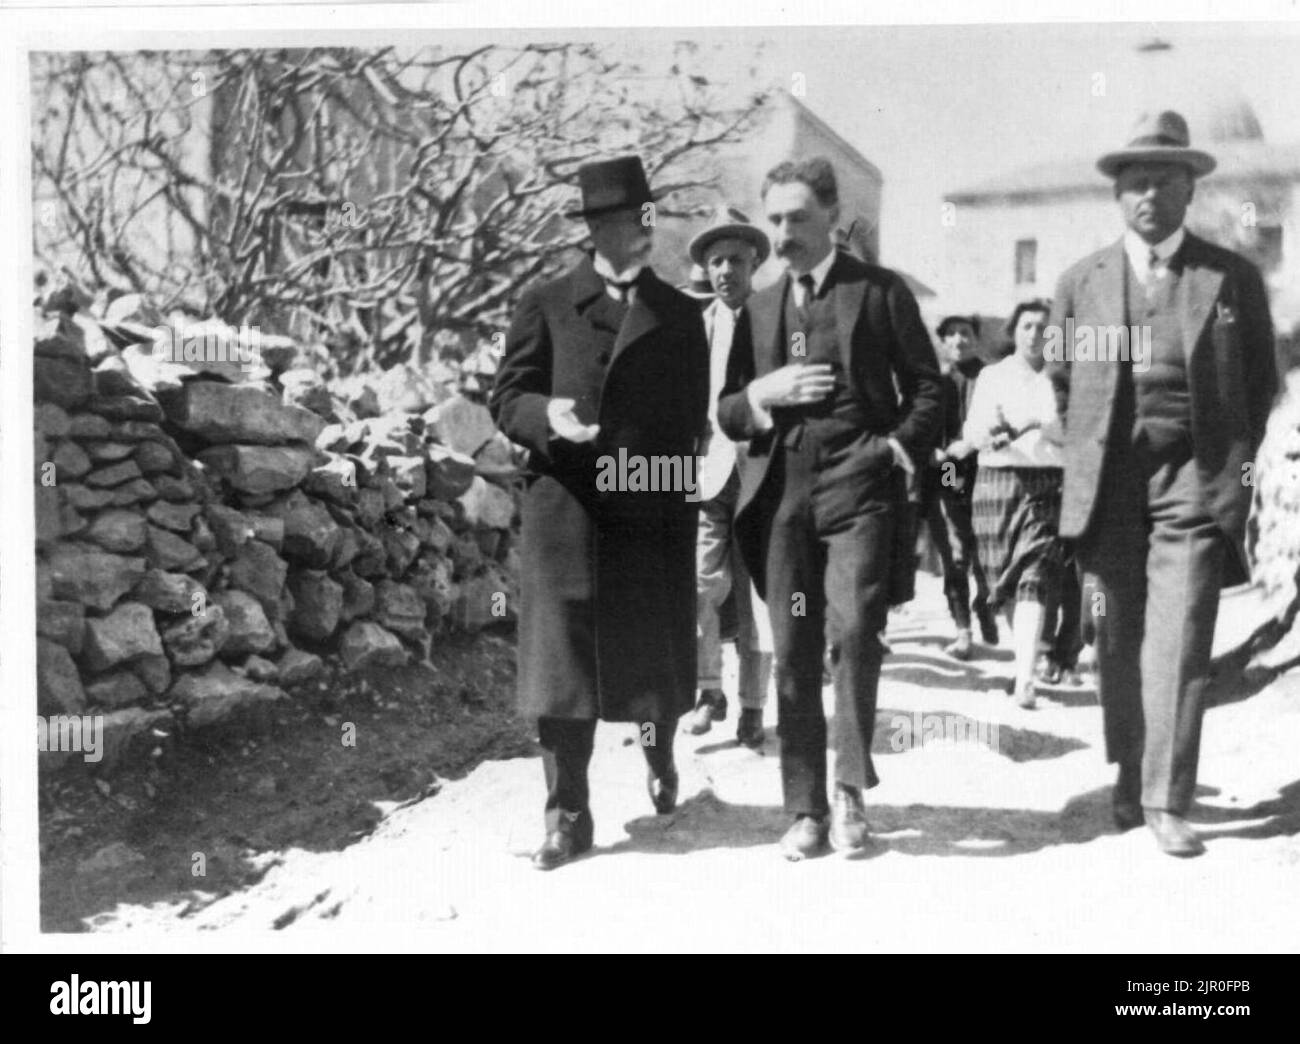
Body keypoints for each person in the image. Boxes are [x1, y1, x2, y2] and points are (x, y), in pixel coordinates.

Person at [1047, 111, 1278, 857]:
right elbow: (1061, 378)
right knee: (1118, 634)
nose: (1148, 195)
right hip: (1110, 483)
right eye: (1135, 183)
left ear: (1190, 189)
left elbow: (1259, 383)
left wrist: (1234, 476)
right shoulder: (1080, 283)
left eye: (1164, 181)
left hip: (1194, 480)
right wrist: (1087, 447)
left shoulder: (1230, 277)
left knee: (1179, 637)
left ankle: (1166, 798)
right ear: (1117, 196)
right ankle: (1128, 772)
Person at [717, 156, 942, 860]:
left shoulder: (879, 292)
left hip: (860, 492)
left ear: (831, 219)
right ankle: (805, 808)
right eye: (774, 219)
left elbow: (933, 390)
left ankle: (849, 791)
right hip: (781, 499)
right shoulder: (754, 306)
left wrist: (894, 450)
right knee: (791, 653)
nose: (782, 233)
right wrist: (766, 393)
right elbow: (727, 412)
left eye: (797, 219)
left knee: (854, 633)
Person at [489, 156, 710, 871]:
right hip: (567, 509)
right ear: (595, 231)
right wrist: (546, 416)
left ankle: (660, 752)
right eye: (620, 220)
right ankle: (566, 816)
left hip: (648, 511)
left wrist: (674, 490)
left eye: (644, 217)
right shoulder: (547, 302)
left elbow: (693, 420)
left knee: (651, 655)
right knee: (563, 665)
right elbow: (507, 396)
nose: (637, 231)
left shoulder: (680, 315)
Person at [683, 205, 774, 748]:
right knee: (699, 585)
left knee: (755, 596)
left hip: (761, 475)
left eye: (735, 260)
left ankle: (753, 707)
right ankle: (708, 689)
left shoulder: (774, 321)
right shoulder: (698, 327)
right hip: (708, 471)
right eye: (715, 261)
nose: (724, 271)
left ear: (754, 263)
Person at [951, 300, 1065, 709]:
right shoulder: (992, 376)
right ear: (1014, 331)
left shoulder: (1063, 377)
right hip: (997, 483)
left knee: (1035, 574)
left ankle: (1025, 680)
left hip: (1047, 483)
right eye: (1027, 326)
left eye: (1043, 327)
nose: (1035, 334)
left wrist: (1047, 427)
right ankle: (1024, 664)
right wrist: (990, 432)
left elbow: (1077, 431)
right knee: (1007, 583)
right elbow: (973, 430)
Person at [918, 314, 998, 659]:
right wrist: (932, 449)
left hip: (986, 471)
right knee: (955, 553)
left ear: (975, 339)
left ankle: (986, 603)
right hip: (948, 470)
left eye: (965, 333)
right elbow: (919, 423)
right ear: (942, 342)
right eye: (950, 335)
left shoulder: (992, 376)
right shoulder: (934, 381)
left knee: (988, 553)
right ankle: (963, 628)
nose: (958, 340)